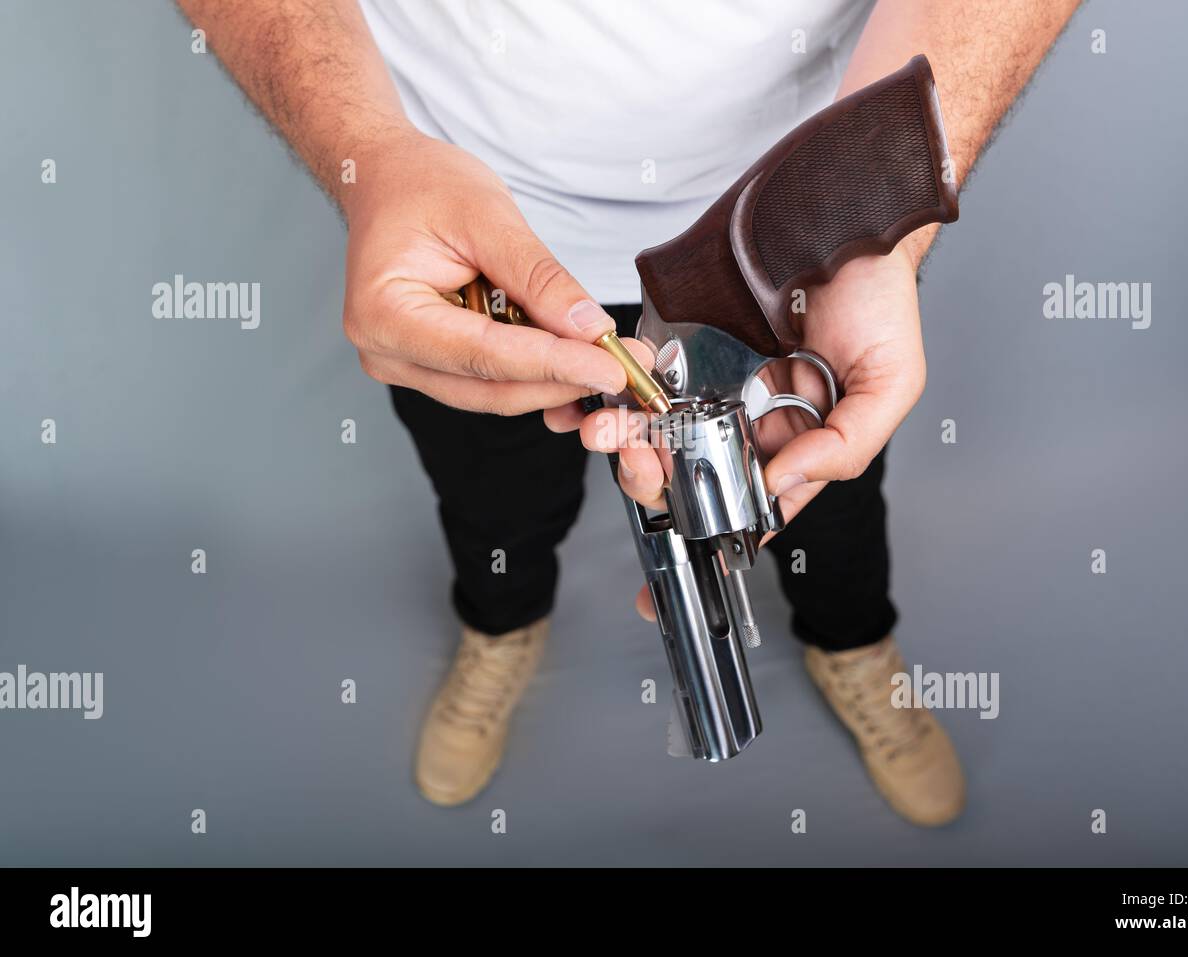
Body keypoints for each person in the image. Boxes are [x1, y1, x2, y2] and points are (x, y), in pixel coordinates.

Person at [180, 0, 1078, 827]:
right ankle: (500, 625)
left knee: (825, 490)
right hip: (467, 228)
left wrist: (881, 234)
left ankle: (852, 640)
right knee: (491, 500)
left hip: (776, 235)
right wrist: (367, 150)